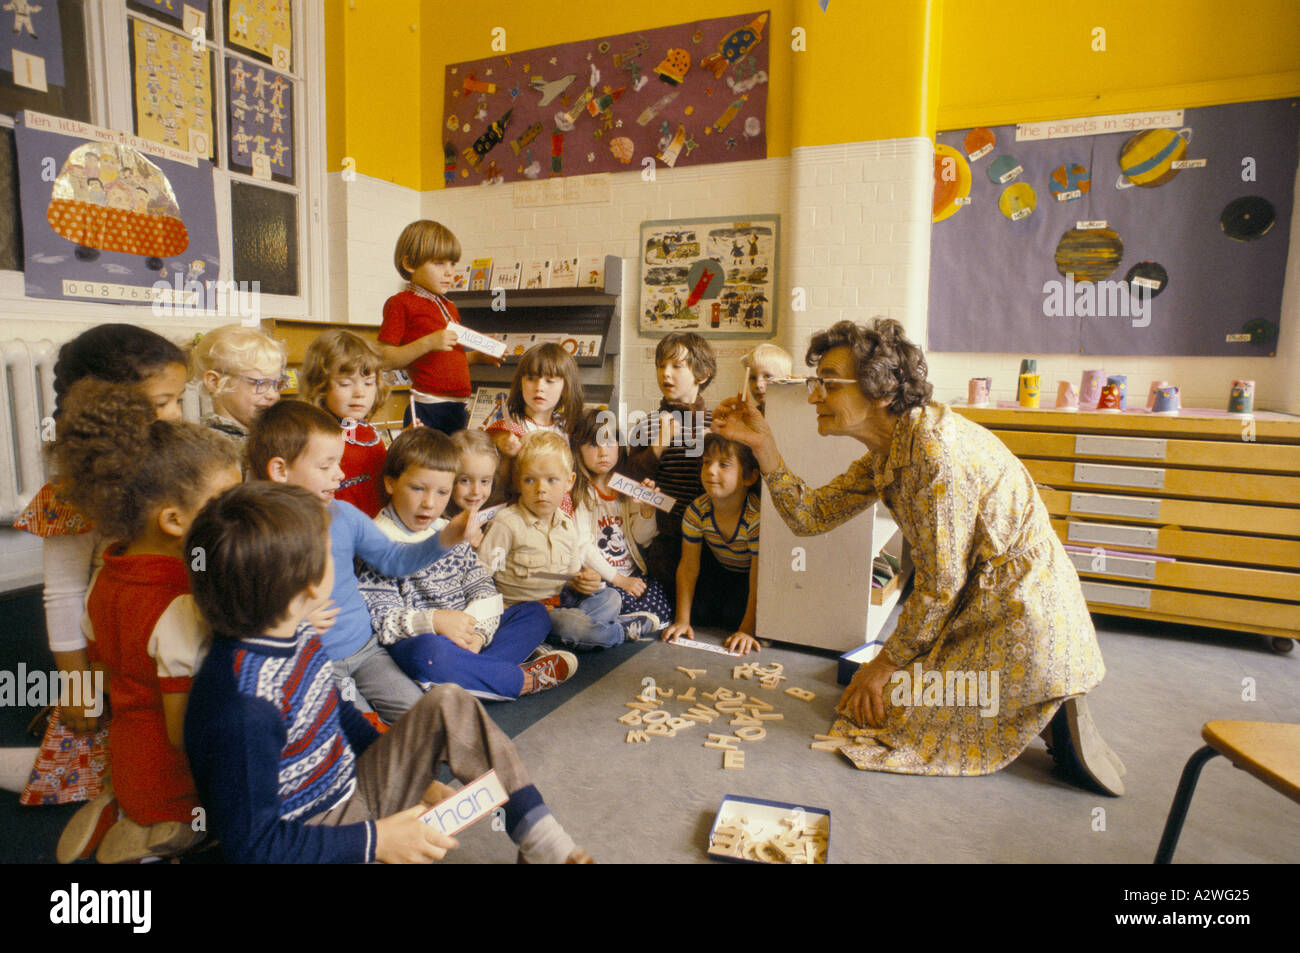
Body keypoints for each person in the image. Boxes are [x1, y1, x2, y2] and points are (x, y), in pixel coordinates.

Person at [712, 318, 1125, 794]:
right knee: (867, 709)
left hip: (1020, 611)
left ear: (882, 390)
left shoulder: (933, 452)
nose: (813, 398)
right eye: (815, 383)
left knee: (886, 722)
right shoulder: (890, 449)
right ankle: (1039, 700)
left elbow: (939, 587)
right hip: (976, 602)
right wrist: (763, 445)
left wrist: (882, 666)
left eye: (828, 384)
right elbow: (811, 516)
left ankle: (1045, 698)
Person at [183, 482, 592, 863]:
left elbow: (337, 714)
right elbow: (254, 847)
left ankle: (541, 840)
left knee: (448, 700)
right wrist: (375, 840)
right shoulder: (240, 704)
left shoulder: (296, 630)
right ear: (303, 586)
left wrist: (406, 773)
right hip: (312, 842)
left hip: (352, 791)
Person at [50, 380, 243, 861]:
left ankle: (115, 806)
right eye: (224, 503)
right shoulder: (180, 603)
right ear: (174, 521)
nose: (236, 516)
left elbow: (101, 669)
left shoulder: (108, 575)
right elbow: (183, 731)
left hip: (124, 745)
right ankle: (154, 834)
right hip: (170, 770)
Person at [10, 325, 187, 831]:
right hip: (116, 648)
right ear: (107, 409)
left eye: (178, 399)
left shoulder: (179, 459)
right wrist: (81, 685)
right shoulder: (74, 492)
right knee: (89, 767)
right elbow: (63, 592)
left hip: (172, 637)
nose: (175, 414)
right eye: (162, 402)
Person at [248, 400, 466, 723]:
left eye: (339, 462)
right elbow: (239, 609)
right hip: (314, 662)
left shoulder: (342, 514)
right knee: (360, 734)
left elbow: (393, 560)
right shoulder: (251, 534)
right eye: (326, 466)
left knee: (422, 721)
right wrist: (289, 622)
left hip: (366, 651)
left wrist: (444, 539)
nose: (341, 474)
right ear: (280, 470)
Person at [356, 427, 573, 699]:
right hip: (428, 641)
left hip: (469, 636)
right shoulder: (379, 542)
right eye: (417, 489)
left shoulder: (448, 529)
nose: (429, 504)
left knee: (534, 614)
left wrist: (479, 635)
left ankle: (467, 675)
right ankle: (517, 679)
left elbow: (482, 586)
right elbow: (383, 621)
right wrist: (435, 621)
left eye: (442, 492)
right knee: (427, 654)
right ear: (390, 483)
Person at [479, 432, 660, 650]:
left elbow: (573, 577)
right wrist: (503, 608)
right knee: (571, 625)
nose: (541, 489)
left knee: (610, 597)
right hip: (522, 612)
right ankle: (619, 631)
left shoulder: (566, 524)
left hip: (560, 604)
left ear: (569, 482)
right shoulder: (507, 524)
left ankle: (562, 636)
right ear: (518, 483)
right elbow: (482, 577)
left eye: (552, 480)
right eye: (530, 480)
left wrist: (587, 581)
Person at [376, 220, 499, 433]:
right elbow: (383, 358)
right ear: (409, 264)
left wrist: (476, 358)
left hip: (458, 406)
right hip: (428, 407)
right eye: (440, 263)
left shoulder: (448, 305)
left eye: (452, 263)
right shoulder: (400, 303)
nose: (450, 272)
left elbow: (444, 358)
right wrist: (428, 342)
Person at [624, 332, 716, 602]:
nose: (666, 373)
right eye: (661, 365)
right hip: (664, 540)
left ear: (702, 374)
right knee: (666, 601)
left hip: (708, 541)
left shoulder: (715, 423)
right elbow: (628, 481)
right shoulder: (647, 424)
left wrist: (715, 443)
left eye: (677, 366)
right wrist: (657, 447)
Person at [662, 434, 761, 655]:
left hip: (750, 579)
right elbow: (688, 566)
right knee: (699, 612)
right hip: (722, 572)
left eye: (724, 465)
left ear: (749, 477)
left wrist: (747, 630)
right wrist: (682, 621)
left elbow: (757, 576)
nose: (711, 470)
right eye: (706, 462)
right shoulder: (697, 510)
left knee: (734, 615)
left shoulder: (755, 518)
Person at [570, 409, 669, 626]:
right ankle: (624, 625)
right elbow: (583, 546)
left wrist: (646, 511)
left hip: (631, 574)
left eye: (609, 443)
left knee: (661, 602)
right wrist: (619, 580)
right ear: (578, 450)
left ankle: (627, 623)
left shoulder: (625, 488)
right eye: (593, 445)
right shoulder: (580, 493)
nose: (603, 452)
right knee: (610, 601)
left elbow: (642, 538)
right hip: (603, 578)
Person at [302, 329, 390, 517]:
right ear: (320, 386)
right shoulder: (315, 438)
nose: (360, 393)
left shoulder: (367, 431)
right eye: (345, 384)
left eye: (368, 383)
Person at [483, 342, 584, 498]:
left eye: (549, 381)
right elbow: (496, 481)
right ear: (521, 383)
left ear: (565, 388)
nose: (539, 387)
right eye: (531, 378)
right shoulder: (508, 426)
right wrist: (506, 456)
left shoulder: (567, 428)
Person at [191, 323, 288, 452]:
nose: (273, 395)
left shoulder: (270, 434)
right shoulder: (206, 445)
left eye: (277, 384)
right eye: (259, 383)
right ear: (214, 382)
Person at [740, 342, 793, 414]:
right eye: (753, 378)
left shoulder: (794, 415)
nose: (758, 385)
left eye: (768, 376)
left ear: (787, 380)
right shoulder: (751, 416)